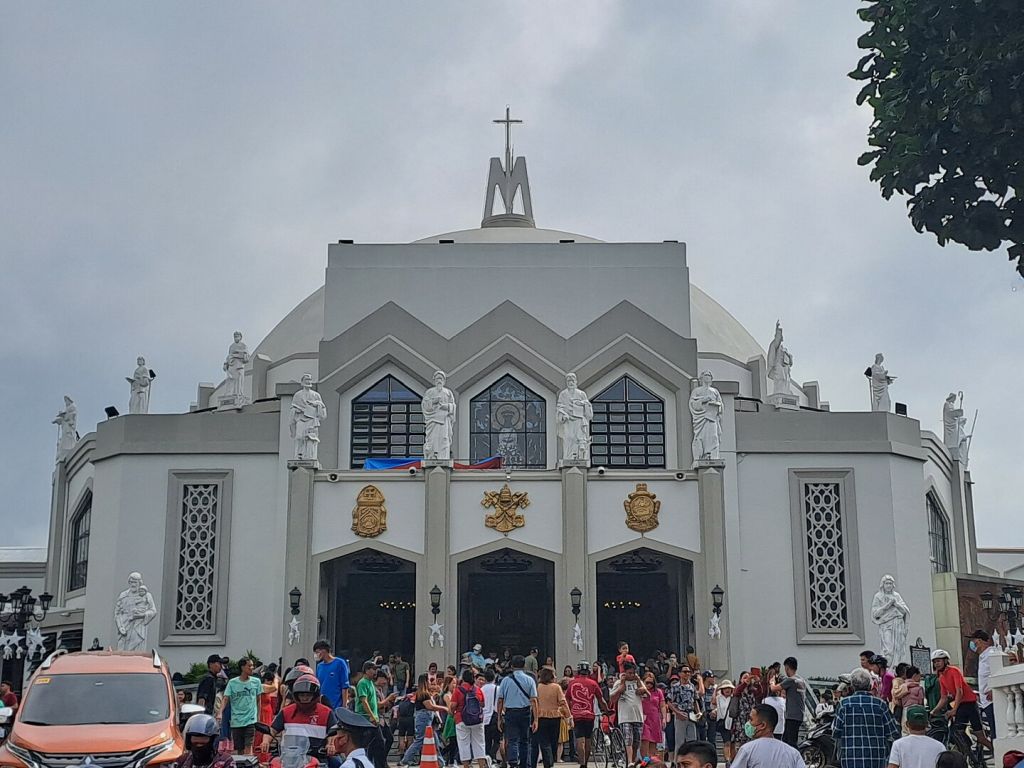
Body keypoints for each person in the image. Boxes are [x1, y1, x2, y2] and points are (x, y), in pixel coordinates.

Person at [832, 668, 900, 768]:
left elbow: (836, 732)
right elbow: (893, 732)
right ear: (870, 685)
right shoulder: (880, 704)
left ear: (852, 686)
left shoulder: (843, 704)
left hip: (851, 758)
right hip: (876, 759)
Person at [929, 648, 992, 752]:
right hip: (960, 705)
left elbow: (959, 692)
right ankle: (969, 751)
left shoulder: (954, 671)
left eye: (939, 661)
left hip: (970, 703)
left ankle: (997, 753)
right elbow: (944, 697)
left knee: (980, 737)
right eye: (935, 662)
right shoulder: (940, 677)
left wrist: (954, 710)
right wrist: (933, 711)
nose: (937, 664)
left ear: (945, 661)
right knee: (958, 733)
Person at [271, 675, 340, 767]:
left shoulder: (327, 712)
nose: (305, 698)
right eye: (302, 695)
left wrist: (331, 744)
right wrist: (265, 742)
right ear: (296, 695)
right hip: (289, 759)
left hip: (318, 757)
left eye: (308, 695)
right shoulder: (286, 711)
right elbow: (272, 730)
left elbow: (334, 732)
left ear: (315, 695)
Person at [730, 703, 807, 767]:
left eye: (751, 719)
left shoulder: (747, 750)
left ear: (763, 725)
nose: (748, 723)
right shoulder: (793, 753)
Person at [496, 654, 539, 768]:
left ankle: (513, 762)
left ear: (512, 666)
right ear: (524, 665)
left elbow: (500, 700)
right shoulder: (530, 680)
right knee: (525, 740)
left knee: (512, 739)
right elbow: (534, 700)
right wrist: (536, 719)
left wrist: (499, 717)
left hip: (510, 712)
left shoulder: (505, 681)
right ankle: (524, 764)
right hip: (525, 712)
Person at [398, 674, 449, 766]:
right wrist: (444, 708)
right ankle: (405, 759)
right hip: (424, 718)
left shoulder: (424, 693)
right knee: (420, 739)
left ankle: (441, 762)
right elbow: (430, 706)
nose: (431, 682)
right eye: (429, 680)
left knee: (435, 740)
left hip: (427, 718)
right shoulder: (424, 694)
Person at [566, 661, 608, 768]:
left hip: (576, 715)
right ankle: (586, 763)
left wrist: (568, 712)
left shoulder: (572, 683)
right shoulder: (593, 683)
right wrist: (607, 710)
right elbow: (601, 699)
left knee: (580, 739)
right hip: (589, 715)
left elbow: (567, 699)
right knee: (588, 739)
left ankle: (582, 763)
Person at [220, 657, 262, 755]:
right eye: (249, 666)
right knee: (239, 749)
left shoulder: (256, 682)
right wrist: (220, 713)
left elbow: (258, 700)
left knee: (249, 746)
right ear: (242, 667)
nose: (252, 668)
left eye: (252, 666)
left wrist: (258, 716)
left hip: (250, 720)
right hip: (236, 720)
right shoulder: (232, 683)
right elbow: (226, 698)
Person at [610, 661, 649, 765]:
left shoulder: (638, 682)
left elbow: (647, 695)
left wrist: (640, 683)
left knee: (636, 742)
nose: (631, 675)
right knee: (628, 740)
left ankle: (632, 759)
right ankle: (629, 761)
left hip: (638, 716)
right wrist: (621, 688)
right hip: (625, 717)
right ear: (624, 672)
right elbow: (612, 698)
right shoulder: (619, 683)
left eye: (633, 673)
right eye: (629, 673)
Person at [531, 667, 570, 768]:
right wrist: (568, 716)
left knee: (544, 741)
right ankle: (549, 761)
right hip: (555, 717)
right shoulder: (556, 687)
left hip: (541, 717)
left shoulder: (538, 687)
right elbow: (563, 702)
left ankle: (548, 761)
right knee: (554, 741)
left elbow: (534, 702)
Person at [451, 669, 488, 768]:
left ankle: (466, 766)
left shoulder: (458, 690)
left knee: (464, 744)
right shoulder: (477, 690)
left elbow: (453, 706)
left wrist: (452, 713)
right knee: (479, 743)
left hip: (461, 719)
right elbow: (483, 704)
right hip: (477, 720)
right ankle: (481, 765)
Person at [967, 629, 998, 737]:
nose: (972, 644)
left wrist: (993, 690)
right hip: (986, 701)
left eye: (974, 641)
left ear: (979, 641)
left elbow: (997, 673)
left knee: (996, 731)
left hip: (993, 700)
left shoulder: (991, 655)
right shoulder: (982, 657)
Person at [776, 656, 806, 747]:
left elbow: (774, 688)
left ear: (787, 667)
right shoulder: (802, 681)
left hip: (792, 716)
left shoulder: (791, 680)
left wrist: (772, 682)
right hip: (799, 715)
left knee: (790, 742)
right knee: (786, 740)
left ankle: (795, 759)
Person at [667, 667, 701, 747]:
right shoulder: (675, 686)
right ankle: (679, 759)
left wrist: (698, 712)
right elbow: (668, 701)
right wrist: (677, 713)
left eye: (689, 672)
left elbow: (695, 700)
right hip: (680, 714)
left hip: (691, 715)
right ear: (680, 674)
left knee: (692, 740)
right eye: (685, 672)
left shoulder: (692, 686)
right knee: (680, 741)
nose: (687, 674)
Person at [315, 640, 351, 709]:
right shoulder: (319, 666)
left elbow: (344, 686)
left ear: (324, 650)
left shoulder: (340, 663)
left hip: (336, 706)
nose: (316, 654)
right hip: (322, 705)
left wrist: (344, 706)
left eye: (317, 652)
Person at [640, 670, 667, 758]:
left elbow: (662, 705)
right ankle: (644, 762)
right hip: (644, 718)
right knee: (645, 740)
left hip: (655, 718)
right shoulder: (640, 691)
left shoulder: (658, 692)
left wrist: (664, 718)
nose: (649, 685)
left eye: (651, 683)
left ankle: (651, 763)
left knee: (653, 743)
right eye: (647, 682)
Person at [480, 669, 501, 762]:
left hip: (484, 718)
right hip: (495, 716)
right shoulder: (498, 688)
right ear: (494, 677)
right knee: (497, 740)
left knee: (486, 740)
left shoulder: (481, 689)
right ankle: (492, 756)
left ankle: (487, 757)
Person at [714, 679, 736, 763]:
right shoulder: (719, 698)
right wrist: (716, 689)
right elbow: (713, 702)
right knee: (727, 742)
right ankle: (727, 761)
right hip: (723, 723)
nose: (727, 690)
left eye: (729, 688)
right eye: (725, 688)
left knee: (733, 744)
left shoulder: (733, 698)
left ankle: (733, 760)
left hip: (732, 723)